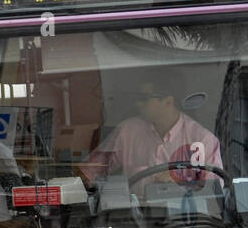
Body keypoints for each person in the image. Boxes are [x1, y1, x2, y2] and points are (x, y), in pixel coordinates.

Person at [79, 73, 223, 187]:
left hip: (185, 218)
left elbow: (216, 187)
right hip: (133, 219)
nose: (138, 103)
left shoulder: (202, 140)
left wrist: (181, 178)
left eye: (144, 98)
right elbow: (90, 173)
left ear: (168, 101)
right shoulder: (126, 131)